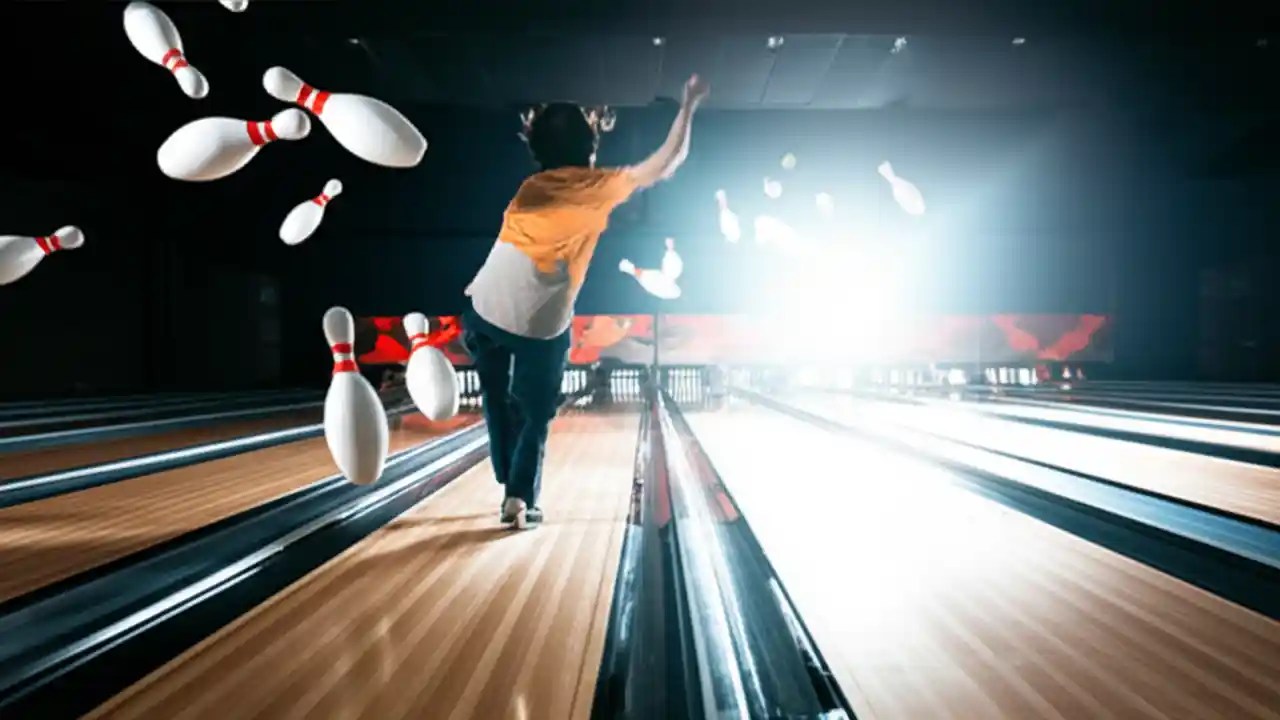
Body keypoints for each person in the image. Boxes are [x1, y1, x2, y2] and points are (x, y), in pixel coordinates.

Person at [462, 74, 710, 529]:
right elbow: (666, 161)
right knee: (534, 415)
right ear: (590, 147)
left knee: (496, 398)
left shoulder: (529, 190)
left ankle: (507, 480)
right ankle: (517, 497)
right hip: (540, 327)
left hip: (482, 311)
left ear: (538, 148)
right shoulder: (600, 186)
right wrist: (689, 105)